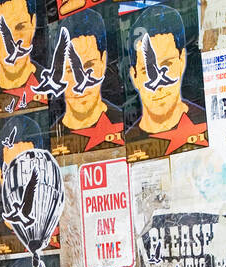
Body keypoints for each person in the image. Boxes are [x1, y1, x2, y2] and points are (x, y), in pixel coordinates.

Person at [125, 3, 206, 159]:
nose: (159, 87)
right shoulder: (129, 141)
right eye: (145, 70)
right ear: (134, 76)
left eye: (167, 64)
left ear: (182, 60)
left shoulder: (203, 123)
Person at [54, 8, 124, 153]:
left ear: (103, 61)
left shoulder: (123, 124)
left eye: (89, 66)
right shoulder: (52, 136)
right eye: (69, 70)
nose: (79, 82)